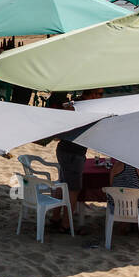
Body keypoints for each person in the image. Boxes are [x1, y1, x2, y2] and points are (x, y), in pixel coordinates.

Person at [47, 93, 86, 233]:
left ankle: (56, 217)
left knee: (63, 184)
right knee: (73, 189)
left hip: (65, 150)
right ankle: (66, 224)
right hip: (72, 152)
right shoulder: (78, 108)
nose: (100, 95)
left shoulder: (74, 106)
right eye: (98, 93)